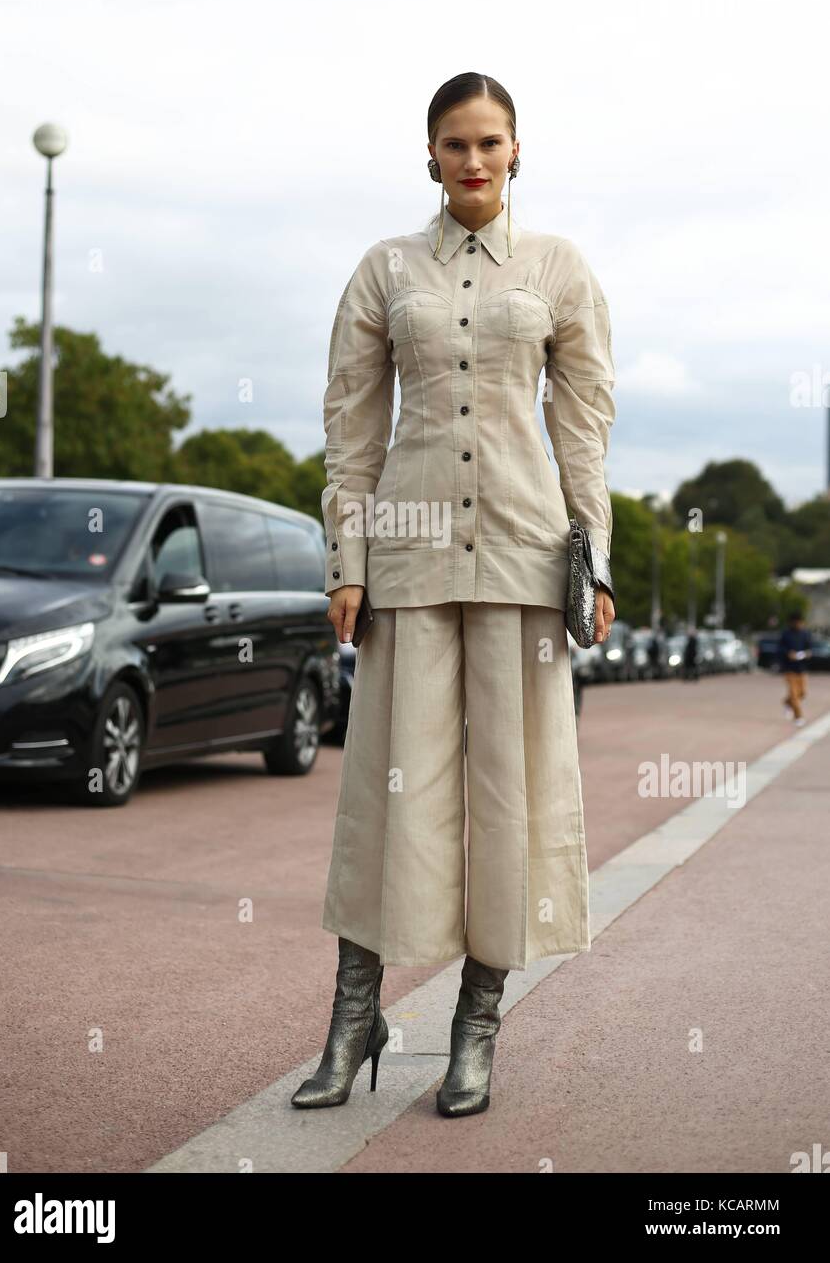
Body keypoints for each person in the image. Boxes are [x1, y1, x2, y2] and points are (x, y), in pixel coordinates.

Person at [292, 72, 616, 1119]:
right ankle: (356, 1018)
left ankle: (475, 1028)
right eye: (451, 144)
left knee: (507, 799)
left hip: (523, 555)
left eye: (488, 142)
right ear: (426, 155)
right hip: (408, 553)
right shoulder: (383, 271)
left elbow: (580, 427)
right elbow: (349, 424)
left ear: (517, 150)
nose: (471, 161)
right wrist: (347, 558)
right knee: (389, 797)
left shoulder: (559, 269)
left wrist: (593, 556)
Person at [778, 610, 812, 725]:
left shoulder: (805, 634)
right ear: (792, 622)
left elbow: (809, 648)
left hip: (801, 668)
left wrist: (807, 654)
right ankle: (798, 716)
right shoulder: (786, 634)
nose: (799, 624)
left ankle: (787, 703)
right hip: (789, 668)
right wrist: (788, 653)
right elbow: (780, 649)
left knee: (802, 693)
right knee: (793, 693)